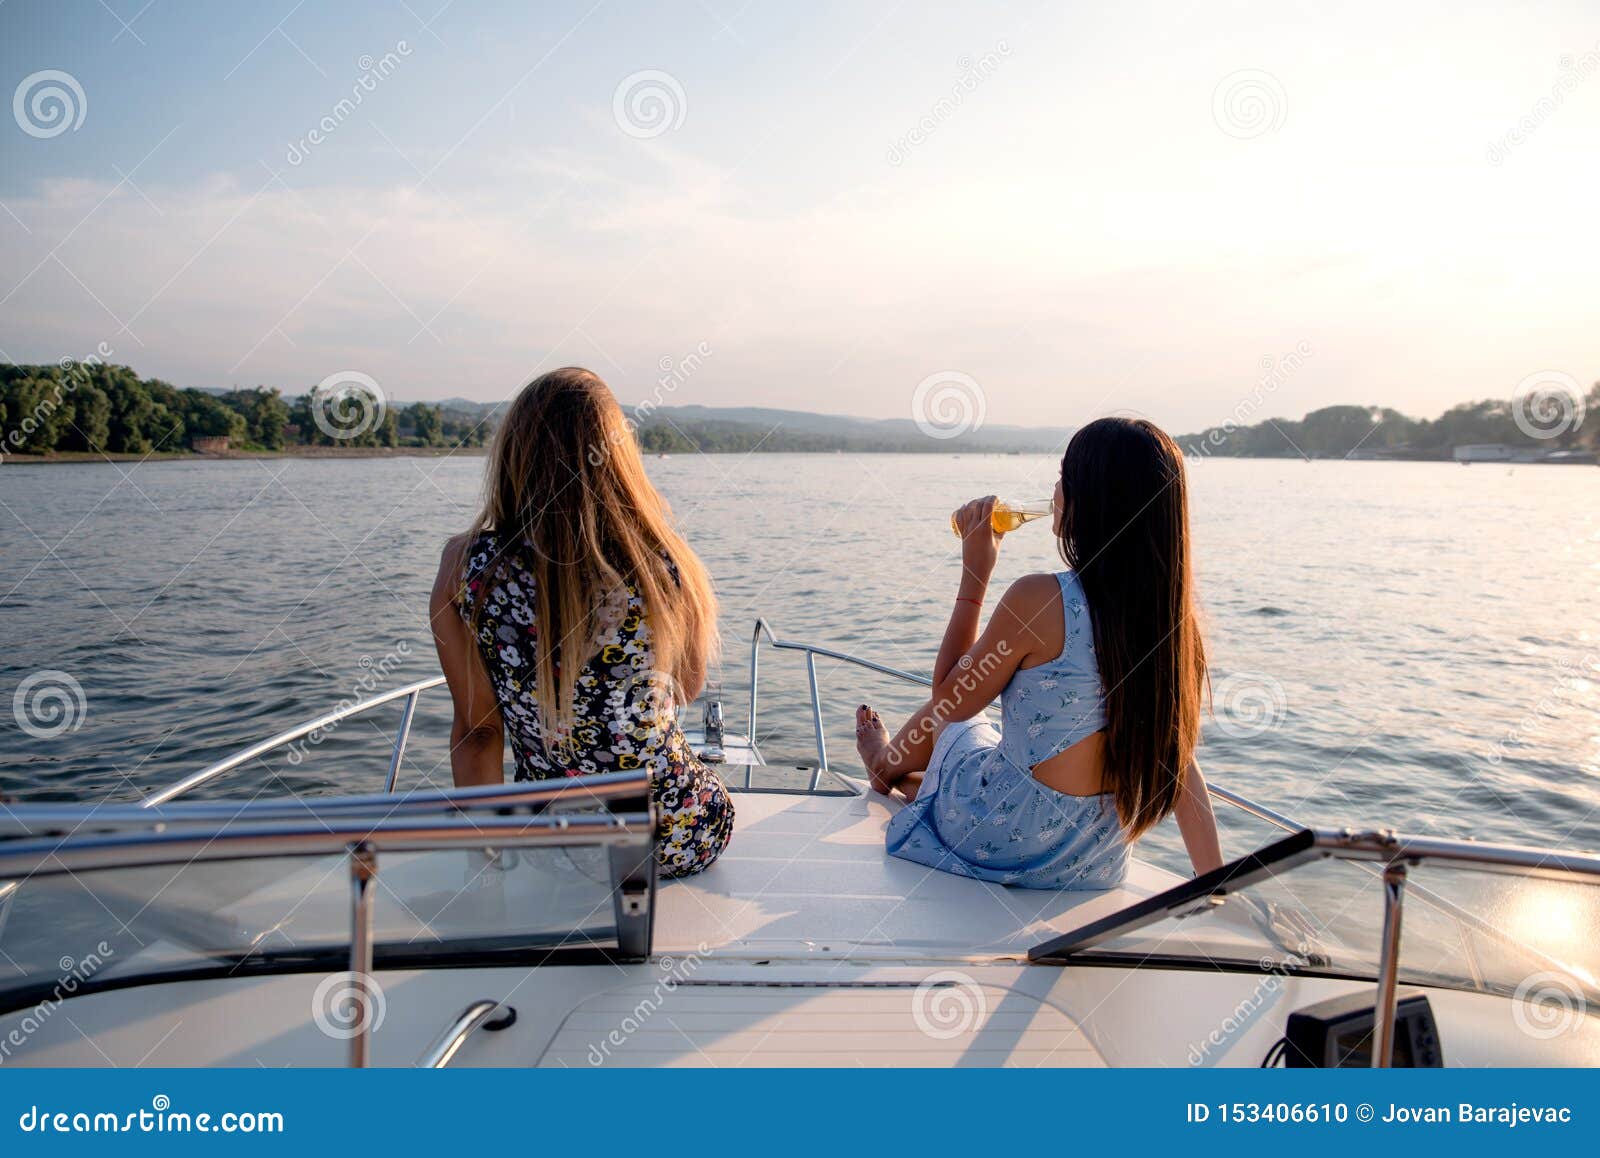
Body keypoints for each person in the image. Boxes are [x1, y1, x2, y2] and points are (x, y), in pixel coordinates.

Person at [853, 417, 1223, 889]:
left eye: (1065, 477)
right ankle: (908, 779)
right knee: (973, 749)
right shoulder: (1175, 627)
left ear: (1094, 501)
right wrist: (1215, 882)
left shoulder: (1040, 599)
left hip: (1004, 836)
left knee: (966, 726)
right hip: (1092, 859)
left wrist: (976, 572)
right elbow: (1180, 760)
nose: (1054, 489)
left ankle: (885, 765)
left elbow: (949, 700)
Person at [429, 367, 734, 877]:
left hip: (557, 845)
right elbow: (684, 688)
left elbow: (479, 734)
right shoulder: (662, 565)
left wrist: (489, 859)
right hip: (675, 836)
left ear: (514, 456)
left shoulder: (467, 569)